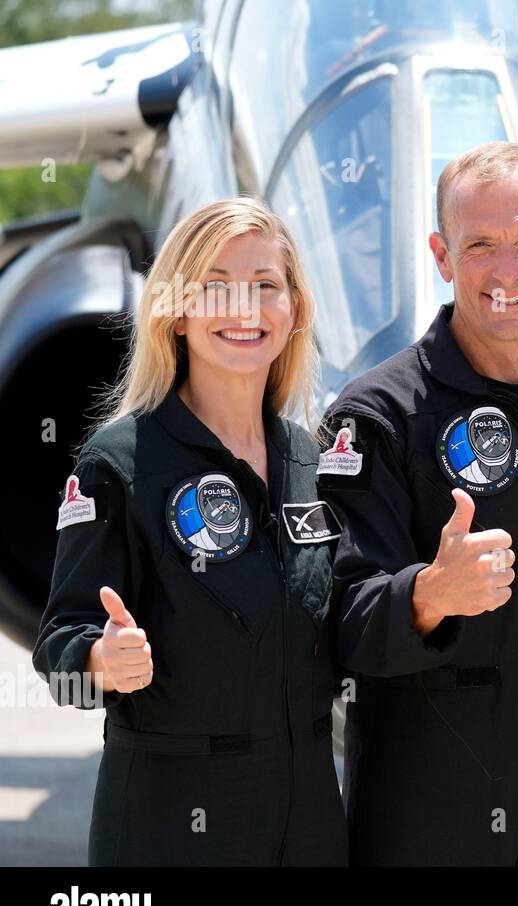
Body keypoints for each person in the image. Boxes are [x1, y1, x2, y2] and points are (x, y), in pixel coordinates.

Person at [319, 142, 518, 865]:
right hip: (424, 819)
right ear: (441, 255)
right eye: (480, 245)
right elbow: (338, 621)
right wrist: (428, 595)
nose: (508, 271)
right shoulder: (375, 416)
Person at [33, 197, 347, 865]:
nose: (245, 309)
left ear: (293, 309)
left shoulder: (307, 461)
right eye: (216, 287)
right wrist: (99, 661)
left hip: (309, 826)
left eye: (266, 286)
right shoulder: (118, 464)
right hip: (169, 830)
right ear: (176, 311)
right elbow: (61, 645)